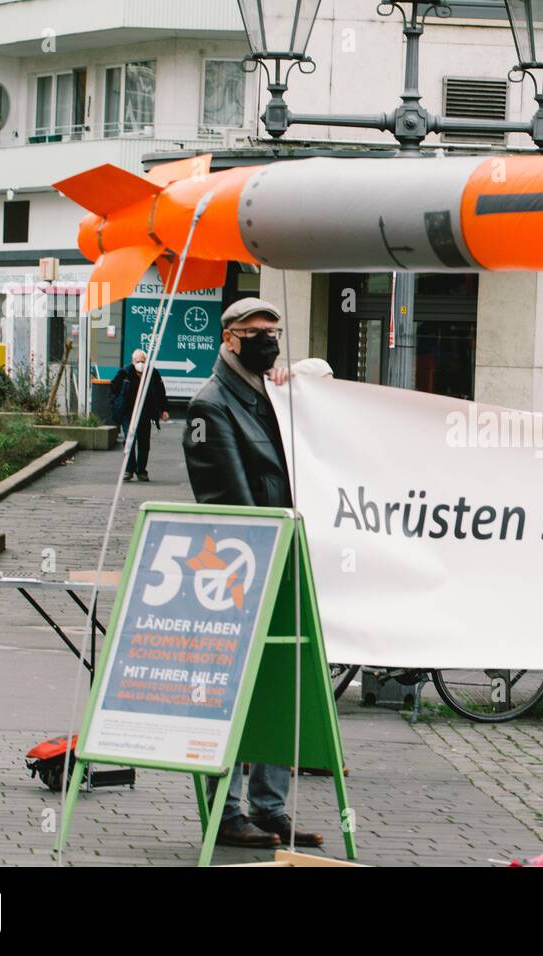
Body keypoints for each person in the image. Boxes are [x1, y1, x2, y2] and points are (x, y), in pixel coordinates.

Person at [182, 297, 323, 850]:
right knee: (234, 691)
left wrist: (296, 382)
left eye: (274, 331)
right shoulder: (211, 405)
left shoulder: (271, 393)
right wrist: (259, 563)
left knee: (280, 685)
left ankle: (269, 807)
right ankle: (227, 809)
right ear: (231, 337)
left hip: (285, 560)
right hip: (242, 573)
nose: (270, 340)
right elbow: (229, 502)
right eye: (257, 332)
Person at [110, 349, 169, 482]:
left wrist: (164, 410)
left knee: (144, 443)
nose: (140, 364)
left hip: (145, 413)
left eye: (143, 361)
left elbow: (161, 392)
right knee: (129, 440)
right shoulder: (124, 373)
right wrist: (116, 404)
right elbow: (113, 389)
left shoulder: (152, 373)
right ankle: (129, 470)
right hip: (128, 413)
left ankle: (141, 470)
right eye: (138, 361)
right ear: (133, 361)